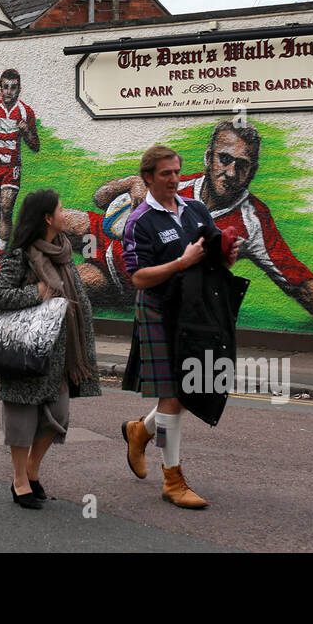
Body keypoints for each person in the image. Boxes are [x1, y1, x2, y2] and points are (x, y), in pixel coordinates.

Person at [80, 121, 313, 333]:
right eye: (225, 159)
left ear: (253, 172)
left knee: (71, 281)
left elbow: (290, 271)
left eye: (243, 165)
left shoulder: (252, 219)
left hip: (120, 277)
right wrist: (130, 182)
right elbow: (100, 198)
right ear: (209, 159)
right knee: (62, 219)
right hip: (106, 236)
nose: (232, 172)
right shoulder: (177, 184)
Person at [118, 144, 245, 510]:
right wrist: (181, 262)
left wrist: (226, 253)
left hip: (195, 308)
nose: (174, 179)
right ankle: (173, 480)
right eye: (165, 174)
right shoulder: (139, 221)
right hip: (158, 309)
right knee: (174, 395)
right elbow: (139, 277)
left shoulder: (196, 209)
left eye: (177, 172)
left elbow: (212, 248)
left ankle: (140, 431)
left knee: (193, 385)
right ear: (148, 178)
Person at [0, 188, 100, 510]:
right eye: (61, 210)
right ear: (47, 218)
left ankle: (32, 469)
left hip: (60, 354)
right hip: (25, 350)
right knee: (22, 419)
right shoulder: (20, 255)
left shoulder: (63, 253)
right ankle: (20, 480)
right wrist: (36, 292)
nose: (66, 214)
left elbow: (77, 301)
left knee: (59, 417)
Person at [0, 68, 40, 279]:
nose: (9, 91)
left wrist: (26, 132)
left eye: (13, 87)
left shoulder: (26, 112)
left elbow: (35, 145)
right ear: (0, 89)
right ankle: (3, 237)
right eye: (5, 87)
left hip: (12, 167)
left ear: (19, 89)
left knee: (6, 209)